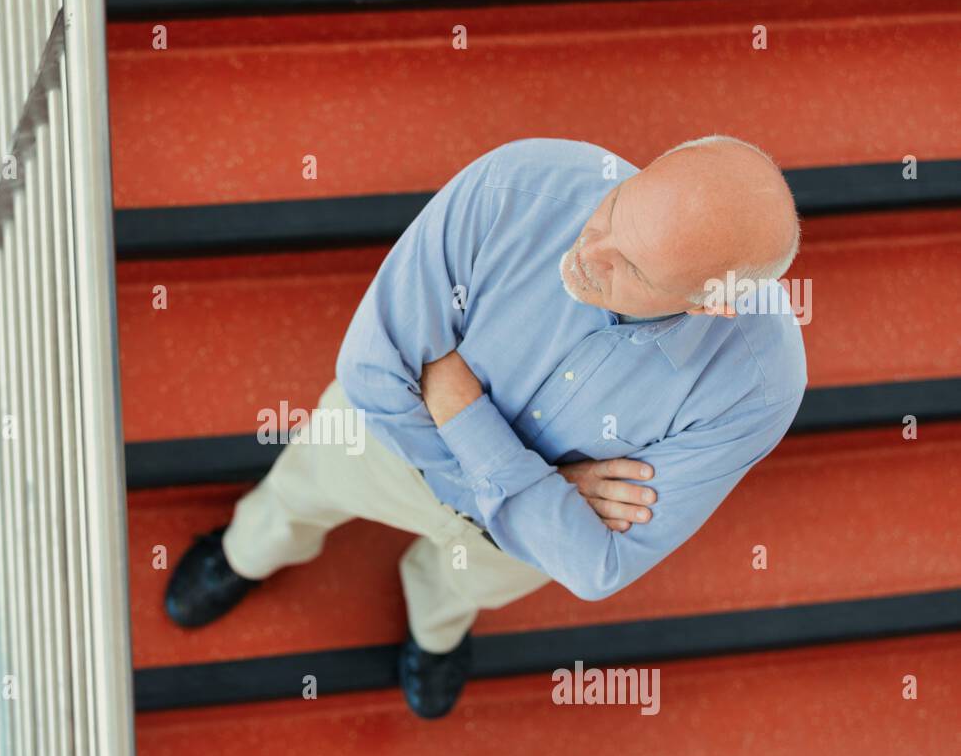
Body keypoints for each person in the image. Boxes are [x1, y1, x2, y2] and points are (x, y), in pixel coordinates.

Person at [164, 135, 807, 719]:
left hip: (502, 530)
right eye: (615, 209)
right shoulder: (516, 185)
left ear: (711, 303)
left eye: (633, 269)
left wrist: (460, 406)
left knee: (463, 586)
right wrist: (538, 488)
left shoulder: (759, 384)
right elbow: (368, 370)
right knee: (297, 496)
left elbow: (597, 565)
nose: (589, 250)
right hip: (427, 462)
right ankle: (242, 554)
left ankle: (434, 634)